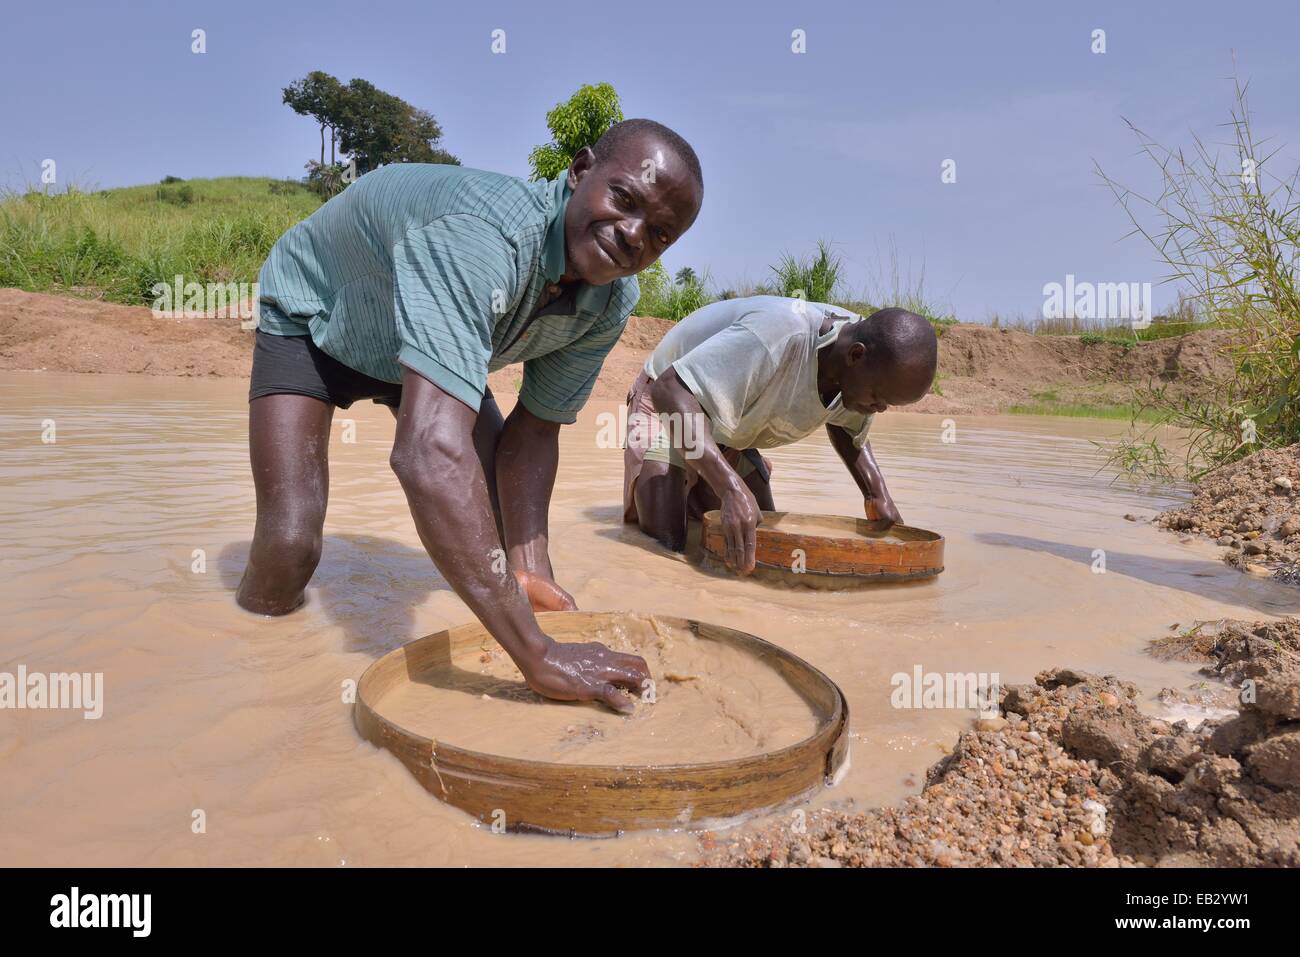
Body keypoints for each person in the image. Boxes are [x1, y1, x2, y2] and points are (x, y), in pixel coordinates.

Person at [238, 119, 704, 712]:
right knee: (290, 542)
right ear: (580, 170)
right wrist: (538, 657)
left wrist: (528, 567)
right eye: (624, 199)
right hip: (319, 318)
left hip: (421, 347)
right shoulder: (480, 239)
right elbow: (427, 458)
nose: (634, 234)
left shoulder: (610, 300)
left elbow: (535, 431)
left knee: (503, 536)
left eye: (660, 233)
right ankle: (261, 681)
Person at [623, 295, 936, 572]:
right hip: (674, 406)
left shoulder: (860, 357)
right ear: (855, 356)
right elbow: (670, 390)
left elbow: (845, 420)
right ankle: (699, 484)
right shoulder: (777, 334)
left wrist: (875, 492)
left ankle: (705, 483)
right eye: (879, 398)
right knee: (667, 546)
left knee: (759, 541)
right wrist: (729, 487)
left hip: (733, 423)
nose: (880, 409)